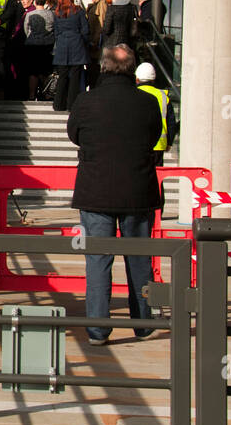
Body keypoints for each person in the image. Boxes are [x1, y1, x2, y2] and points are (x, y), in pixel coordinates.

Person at [67, 44, 163, 345]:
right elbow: (155, 136)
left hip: (95, 191)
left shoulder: (86, 100)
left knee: (97, 261)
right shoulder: (147, 102)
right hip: (137, 190)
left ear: (104, 67)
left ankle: (97, 329)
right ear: (133, 68)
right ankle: (144, 324)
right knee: (139, 261)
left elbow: (74, 134)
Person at [51, 0, 88, 111]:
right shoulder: (79, 11)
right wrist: (84, 41)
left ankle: (58, 104)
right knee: (75, 76)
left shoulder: (57, 13)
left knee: (62, 76)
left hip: (62, 44)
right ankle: (71, 105)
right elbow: (85, 30)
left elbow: (55, 31)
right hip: (76, 43)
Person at [136, 62, 177, 166]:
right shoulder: (163, 96)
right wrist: (169, 142)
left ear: (137, 79)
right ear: (153, 79)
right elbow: (171, 122)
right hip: (159, 145)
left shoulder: (132, 94)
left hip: (138, 144)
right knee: (158, 177)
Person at [23, 0, 56, 100]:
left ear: (35, 1)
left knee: (33, 72)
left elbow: (26, 29)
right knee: (45, 71)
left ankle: (32, 94)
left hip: (33, 45)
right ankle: (46, 92)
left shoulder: (30, 15)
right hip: (47, 45)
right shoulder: (51, 14)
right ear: (45, 1)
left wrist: (31, 37)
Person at [84, 0, 109, 86]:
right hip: (90, 46)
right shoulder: (94, 4)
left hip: (96, 48)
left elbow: (102, 24)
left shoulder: (102, 4)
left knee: (95, 74)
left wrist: (95, 42)